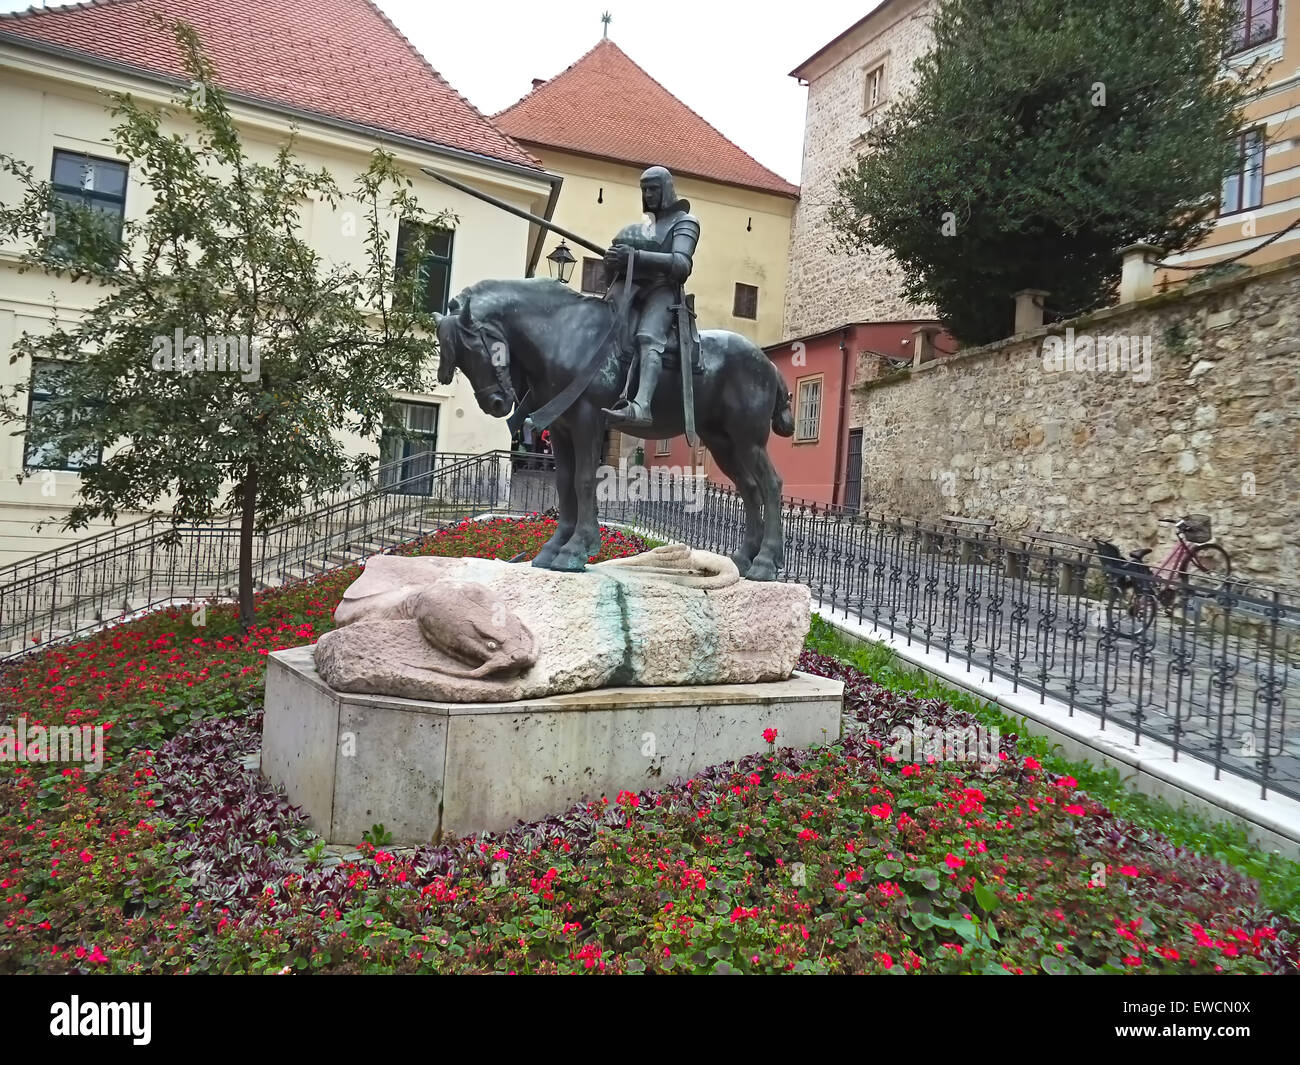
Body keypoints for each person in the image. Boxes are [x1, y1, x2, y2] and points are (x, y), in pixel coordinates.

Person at [600, 166, 700, 430]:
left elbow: (681, 265)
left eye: (653, 189)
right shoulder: (643, 228)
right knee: (596, 326)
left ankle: (642, 405)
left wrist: (635, 257)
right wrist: (614, 260)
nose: (648, 194)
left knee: (648, 337)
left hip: (663, 290)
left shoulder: (686, 222)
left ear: (666, 189)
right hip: (632, 288)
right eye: (645, 190)